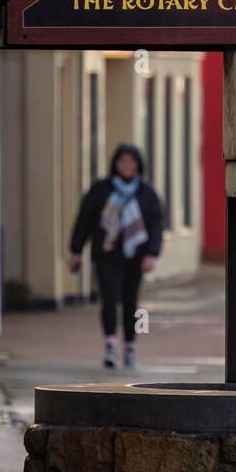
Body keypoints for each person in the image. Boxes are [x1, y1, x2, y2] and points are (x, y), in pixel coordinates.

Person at [69, 144, 163, 369]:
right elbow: (85, 220)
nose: (126, 165)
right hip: (106, 254)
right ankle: (110, 346)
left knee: (131, 302)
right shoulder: (100, 190)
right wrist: (76, 250)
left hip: (135, 257)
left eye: (131, 161)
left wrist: (151, 254)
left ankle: (130, 348)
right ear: (115, 164)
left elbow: (156, 225)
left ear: (138, 165)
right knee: (109, 299)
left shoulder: (147, 194)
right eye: (122, 161)